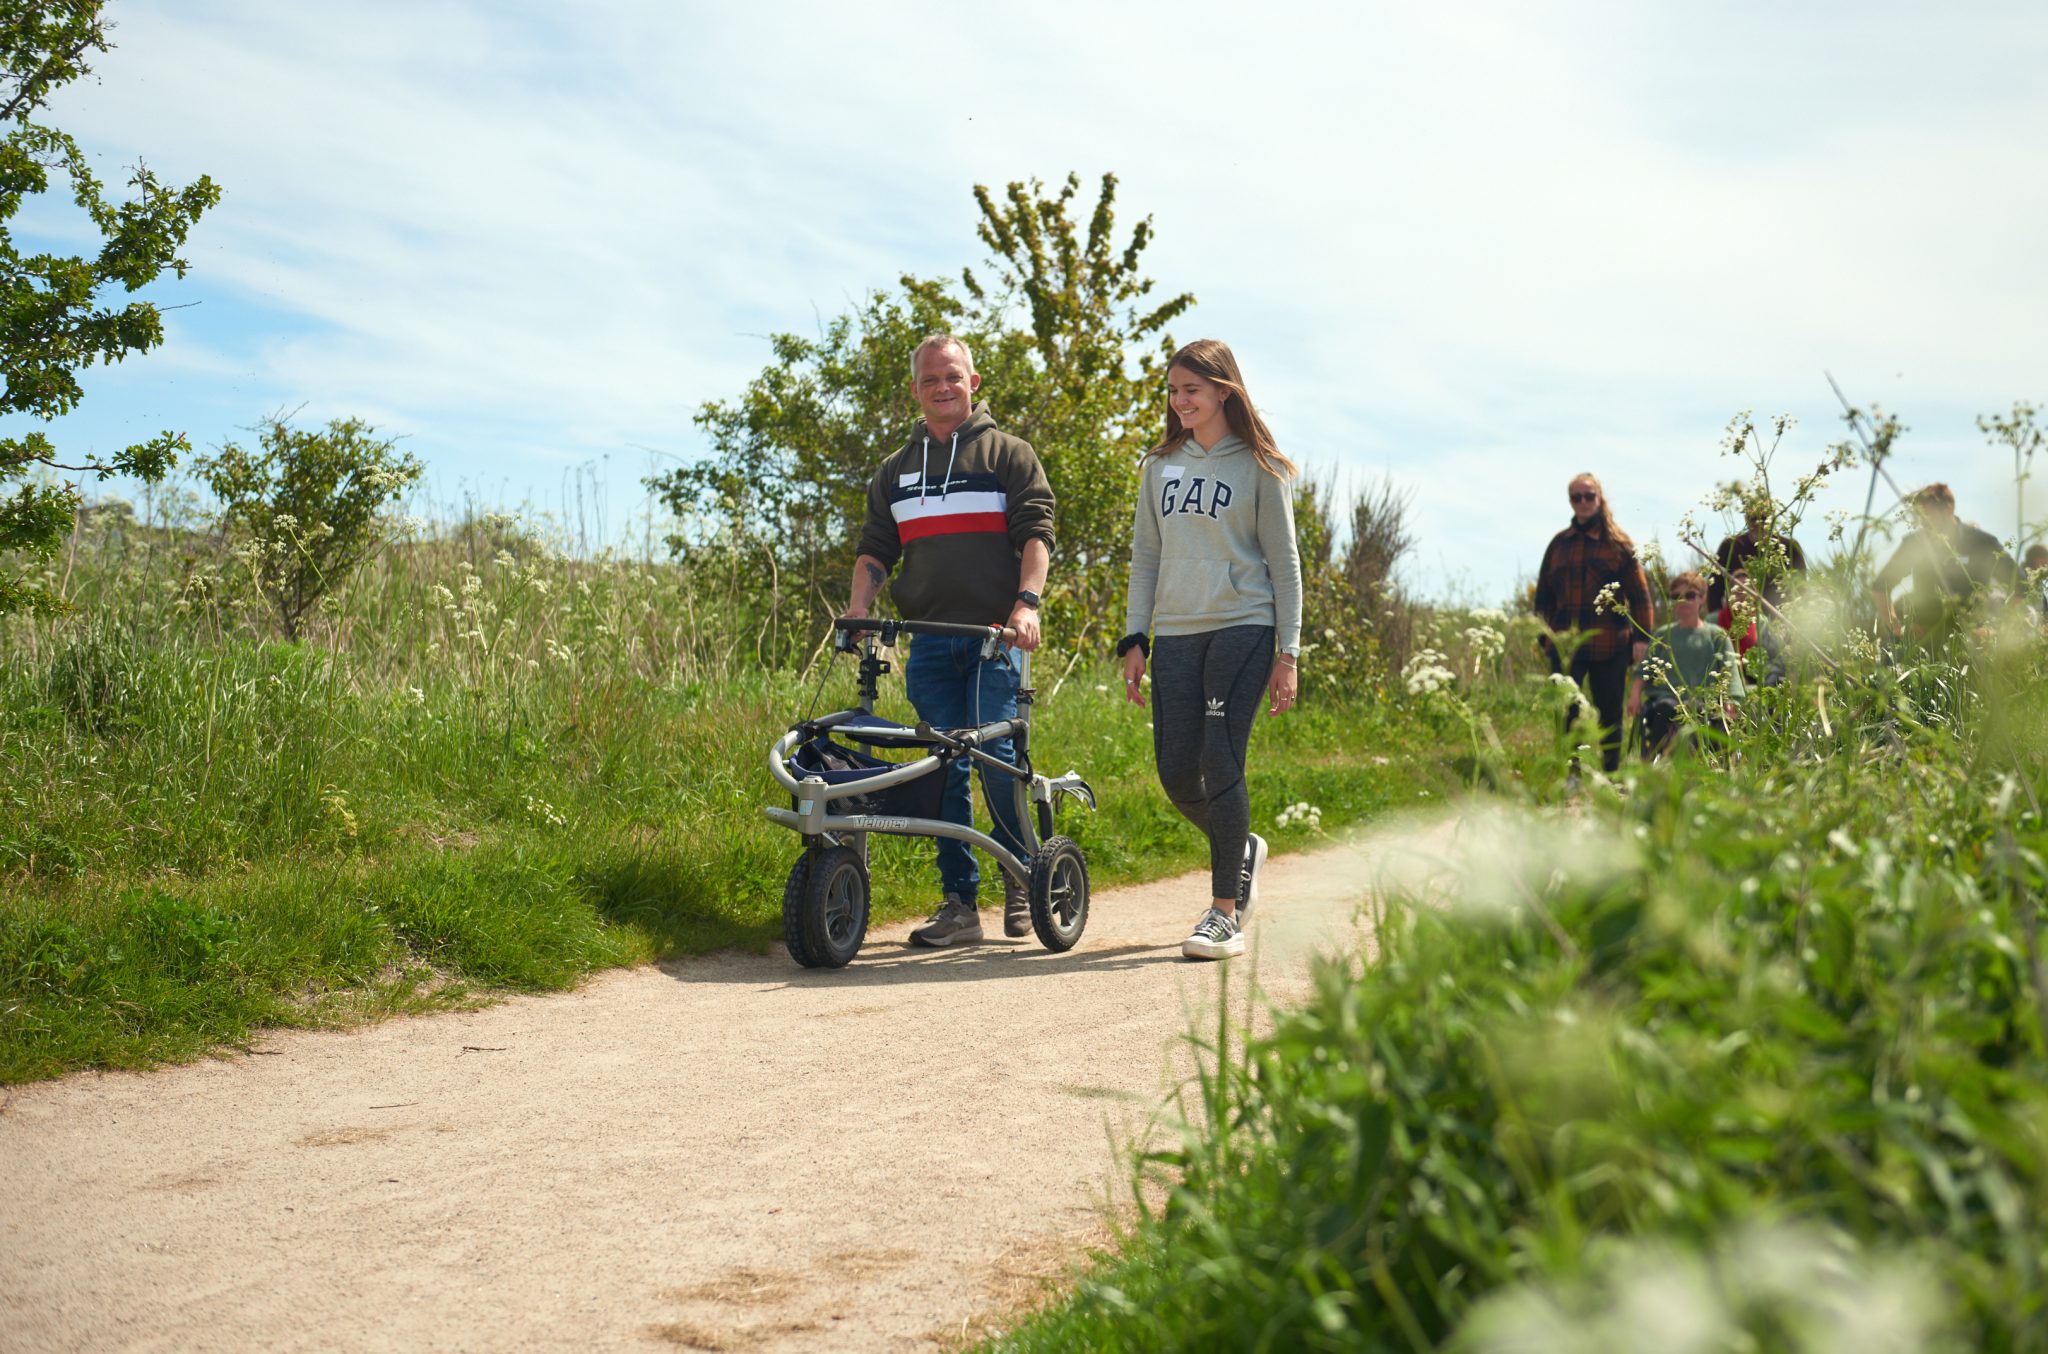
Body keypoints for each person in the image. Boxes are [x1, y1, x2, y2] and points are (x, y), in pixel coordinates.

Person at [844, 334, 1055, 946]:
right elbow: (876, 549)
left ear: (974, 383)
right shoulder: (896, 471)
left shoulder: (1009, 455)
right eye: (931, 379)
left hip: (995, 640)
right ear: (915, 389)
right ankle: (959, 904)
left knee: (995, 766)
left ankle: (1021, 881)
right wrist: (860, 606)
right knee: (943, 773)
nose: (943, 386)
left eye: (954, 376)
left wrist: (1027, 604)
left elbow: (1036, 536)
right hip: (929, 643)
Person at [1118, 340, 1302, 962]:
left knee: (1220, 762)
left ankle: (1224, 912)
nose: (1179, 401)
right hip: (1174, 632)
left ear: (1225, 390)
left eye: (1191, 389)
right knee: (1176, 773)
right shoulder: (1158, 465)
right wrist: (1134, 635)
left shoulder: (1260, 467)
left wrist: (1290, 652)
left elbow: (1285, 564)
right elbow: (1146, 556)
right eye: (1172, 391)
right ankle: (1241, 845)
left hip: (1243, 627)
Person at [1533, 473, 1653, 775]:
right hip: (1566, 646)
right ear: (1570, 501)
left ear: (1599, 499)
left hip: (1610, 644)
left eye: (1589, 496)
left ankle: (1610, 775)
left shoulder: (1619, 544)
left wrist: (1642, 638)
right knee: (1567, 711)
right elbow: (1543, 596)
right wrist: (1543, 637)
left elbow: (1640, 596)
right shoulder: (1559, 545)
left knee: (1609, 713)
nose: (1583, 502)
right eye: (1577, 497)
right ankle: (1570, 775)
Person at [1872, 483, 2020, 636]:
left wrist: (1998, 632)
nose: (1923, 522)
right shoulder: (1915, 544)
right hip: (1926, 644)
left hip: (1975, 644)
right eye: (1919, 516)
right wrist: (1897, 627)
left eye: (1928, 515)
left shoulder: (1981, 543)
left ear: (1948, 509)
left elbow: (2021, 585)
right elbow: (1880, 585)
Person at [1628, 570, 1745, 756]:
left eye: (1689, 595)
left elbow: (1730, 671)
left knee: (1703, 713)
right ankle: (1660, 767)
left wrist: (1730, 701)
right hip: (1666, 701)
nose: (1682, 601)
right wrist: (1634, 696)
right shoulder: (1662, 635)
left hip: (1706, 702)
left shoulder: (1717, 636)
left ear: (1702, 599)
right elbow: (1643, 670)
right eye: (1676, 597)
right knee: (1665, 709)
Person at [1707, 502, 1807, 614]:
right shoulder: (1730, 547)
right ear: (1745, 519)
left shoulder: (1789, 548)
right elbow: (1714, 589)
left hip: (1781, 621)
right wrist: (1719, 621)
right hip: (1742, 621)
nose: (1758, 523)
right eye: (1753, 518)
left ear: (1773, 517)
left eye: (1763, 518)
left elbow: (1801, 588)